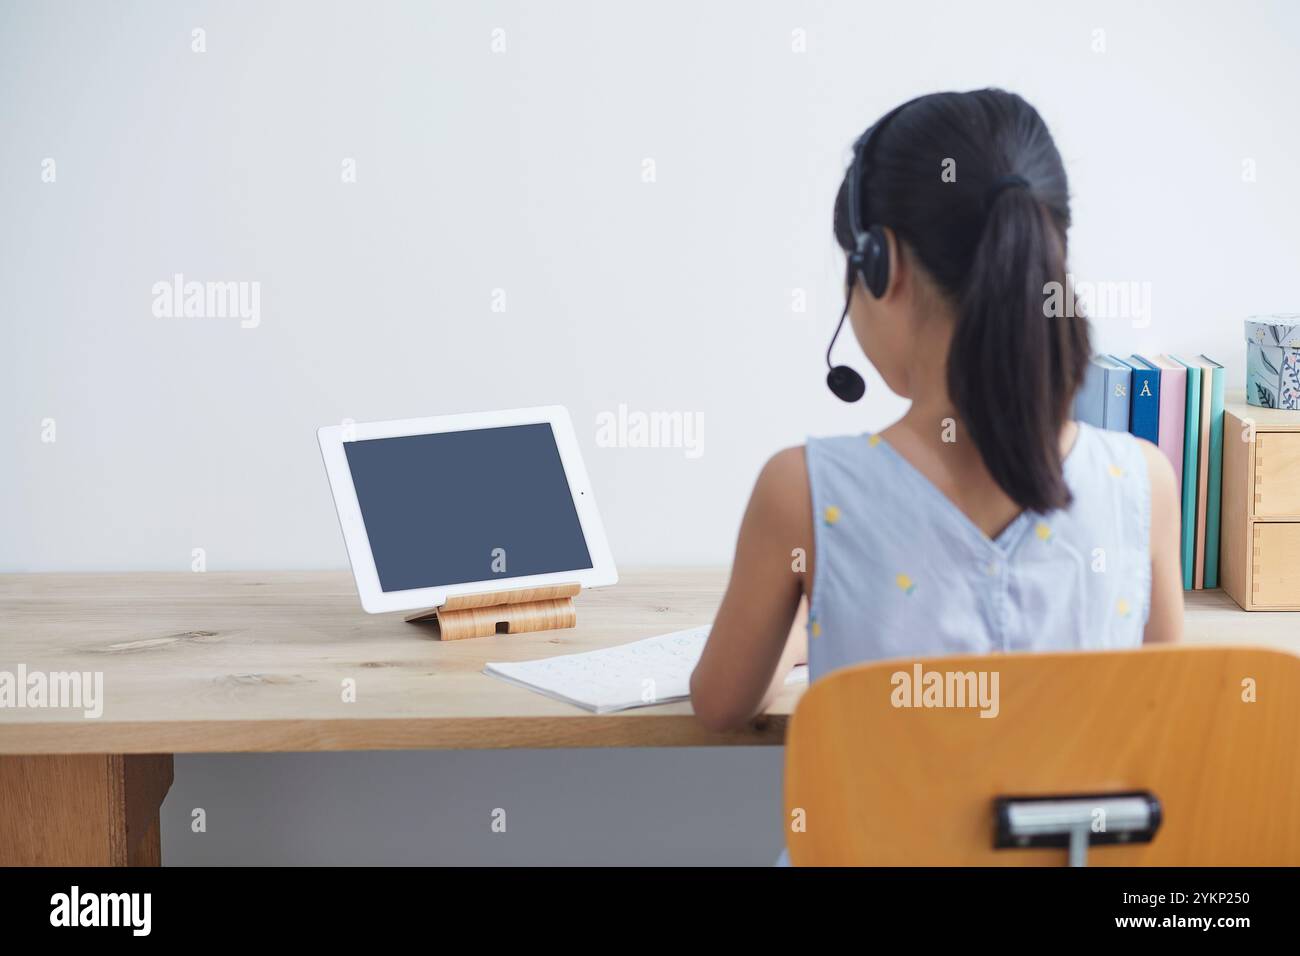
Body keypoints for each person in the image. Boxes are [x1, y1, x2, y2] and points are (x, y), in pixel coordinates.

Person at [690, 89, 1182, 734]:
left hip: (869, 843)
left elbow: (721, 703)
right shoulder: (1142, 481)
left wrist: (809, 628)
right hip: (1078, 841)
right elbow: (1174, 702)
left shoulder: (801, 491)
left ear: (879, 265)